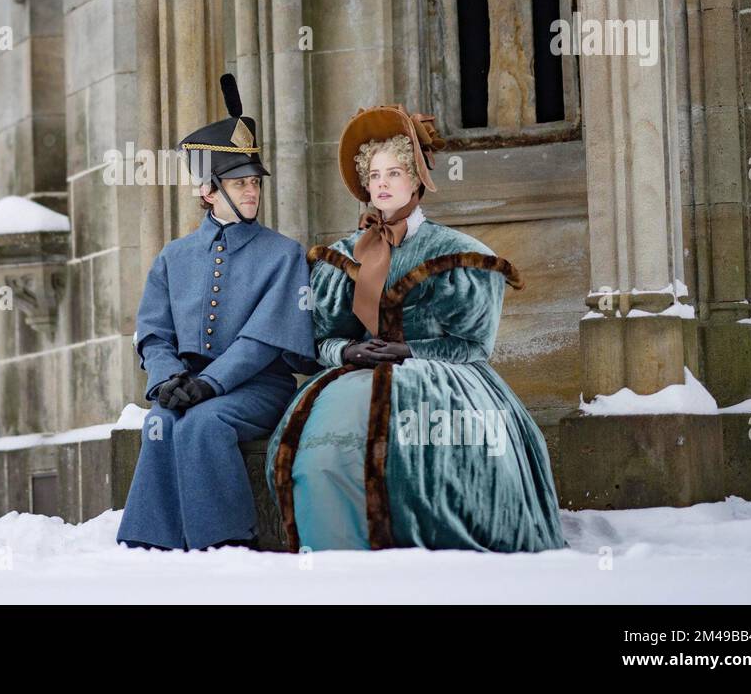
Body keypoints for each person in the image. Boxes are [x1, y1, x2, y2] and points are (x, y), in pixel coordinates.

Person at [265, 104, 566, 552]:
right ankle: (336, 564)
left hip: (443, 378)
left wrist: (409, 352)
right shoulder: (343, 255)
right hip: (355, 375)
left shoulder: (458, 252)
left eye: (394, 173)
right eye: (374, 176)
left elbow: (473, 345)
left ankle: (423, 564)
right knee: (324, 455)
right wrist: (346, 353)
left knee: (433, 455)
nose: (382, 185)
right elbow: (318, 338)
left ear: (416, 179)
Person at [117, 75, 316, 551]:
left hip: (258, 389)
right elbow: (153, 333)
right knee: (159, 422)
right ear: (208, 191)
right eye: (239, 184)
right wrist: (167, 381)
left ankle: (224, 545)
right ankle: (153, 546)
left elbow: (267, 337)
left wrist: (212, 383)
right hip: (187, 384)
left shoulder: (283, 253)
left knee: (206, 423)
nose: (251, 192)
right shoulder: (173, 256)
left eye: (254, 183)